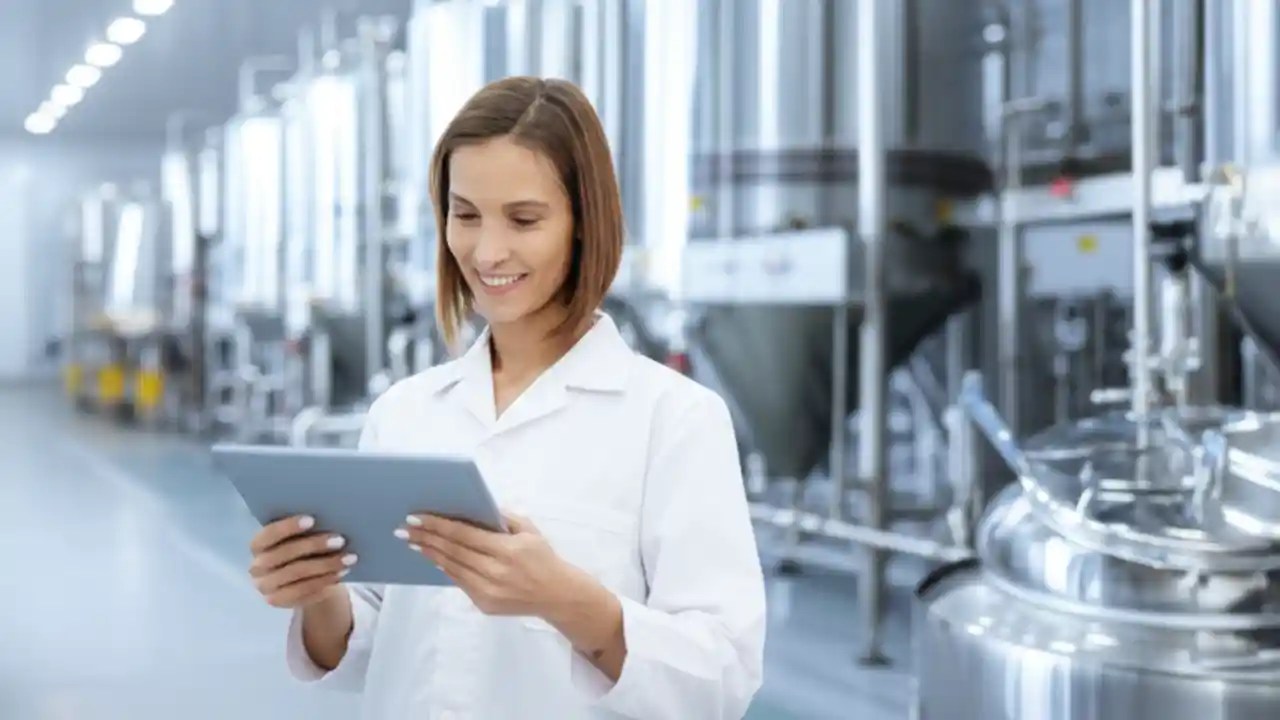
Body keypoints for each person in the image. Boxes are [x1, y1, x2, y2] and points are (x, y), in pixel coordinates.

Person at [246, 76, 767, 719]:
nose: (487, 252)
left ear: (583, 223)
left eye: (523, 220)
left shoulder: (675, 419)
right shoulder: (405, 413)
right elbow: (374, 643)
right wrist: (316, 592)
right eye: (465, 215)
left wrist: (565, 600)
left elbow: (721, 678)